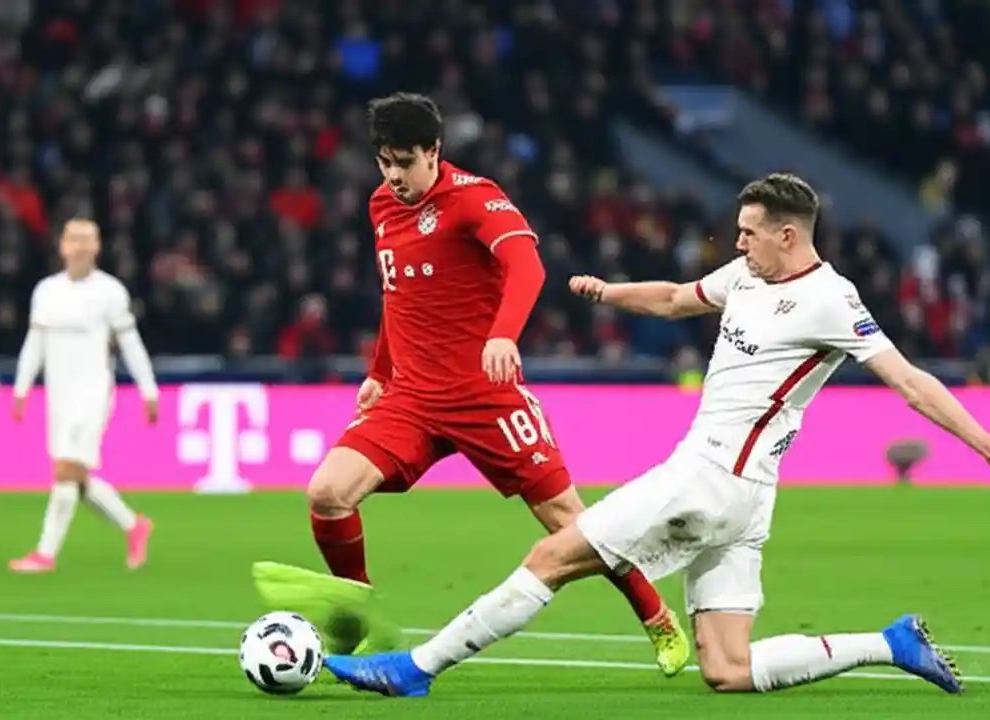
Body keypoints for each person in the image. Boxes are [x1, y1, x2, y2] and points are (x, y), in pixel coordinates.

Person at [322, 172, 990, 697]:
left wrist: (983, 441)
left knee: (550, 556)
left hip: (709, 478)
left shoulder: (830, 300)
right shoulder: (748, 276)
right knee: (729, 670)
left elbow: (910, 378)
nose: (737, 242)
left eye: (749, 232)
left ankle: (416, 669)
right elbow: (674, 299)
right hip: (745, 501)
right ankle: (889, 644)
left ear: (788, 235)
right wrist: (609, 292)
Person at [256, 93, 688, 675]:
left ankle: (655, 615)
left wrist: (503, 335)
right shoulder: (381, 205)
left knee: (571, 523)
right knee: (327, 494)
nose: (393, 175)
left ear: (434, 152)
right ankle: (358, 617)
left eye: (404, 161)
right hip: (410, 396)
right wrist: (379, 373)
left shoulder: (474, 199)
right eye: (384, 160)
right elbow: (397, 297)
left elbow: (527, 266)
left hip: (486, 392)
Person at [9, 219, 158, 573]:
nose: (79, 246)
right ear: (62, 246)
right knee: (74, 475)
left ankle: (45, 554)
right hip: (58, 395)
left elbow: (130, 343)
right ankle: (132, 524)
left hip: (92, 393)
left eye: (86, 239)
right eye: (72, 239)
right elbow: (35, 342)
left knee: (65, 471)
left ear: (97, 247)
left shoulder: (110, 292)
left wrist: (148, 388)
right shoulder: (46, 291)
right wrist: (21, 386)